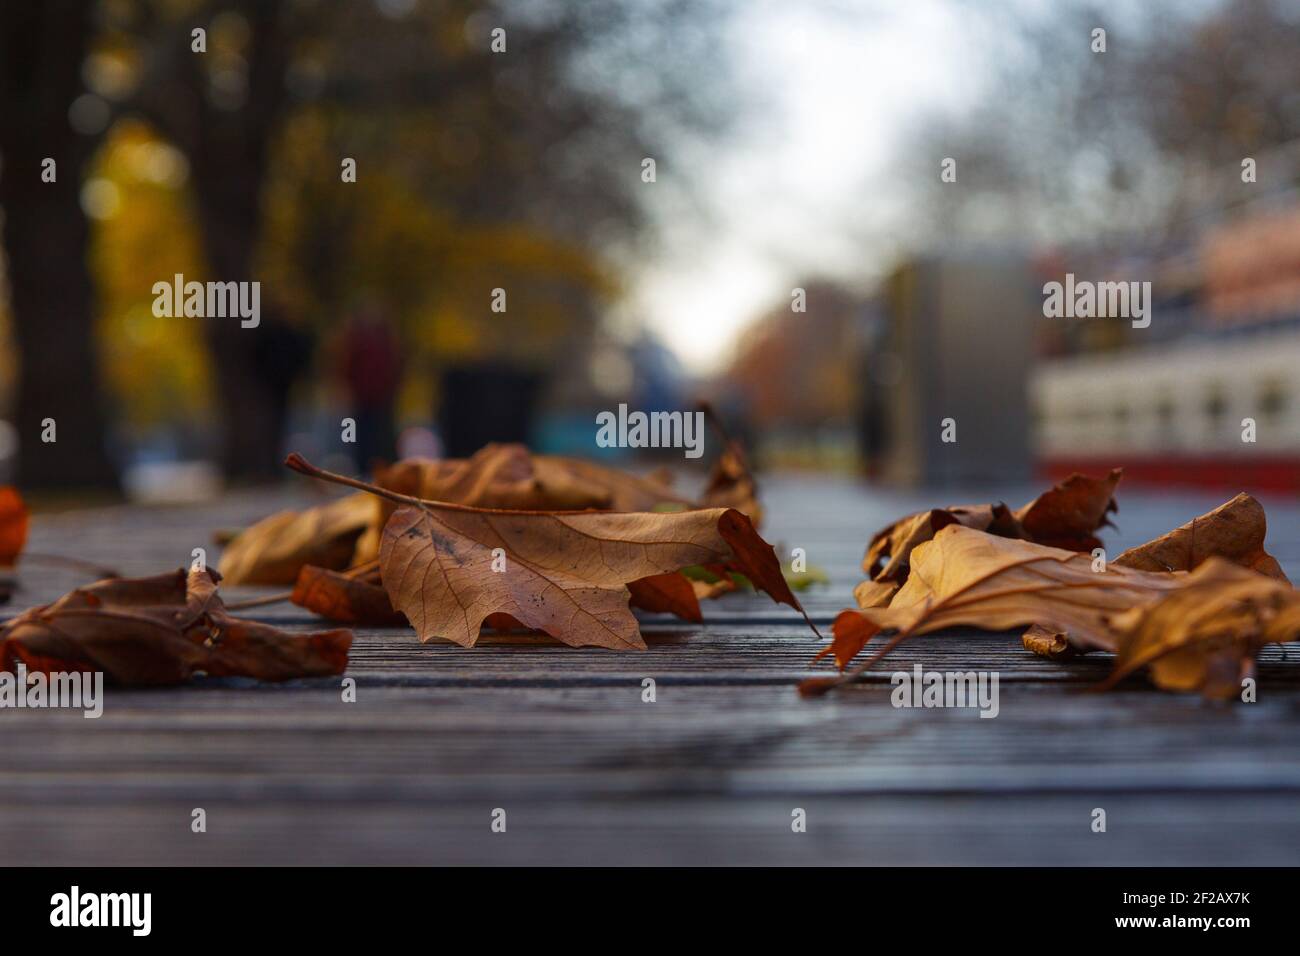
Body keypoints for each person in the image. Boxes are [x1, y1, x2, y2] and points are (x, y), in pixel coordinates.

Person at [336, 304, 402, 473]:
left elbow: (395, 366)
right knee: (361, 434)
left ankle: (383, 466)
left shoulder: (385, 340)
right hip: (362, 397)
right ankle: (363, 467)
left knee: (381, 434)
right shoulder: (357, 340)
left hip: (382, 396)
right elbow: (347, 366)